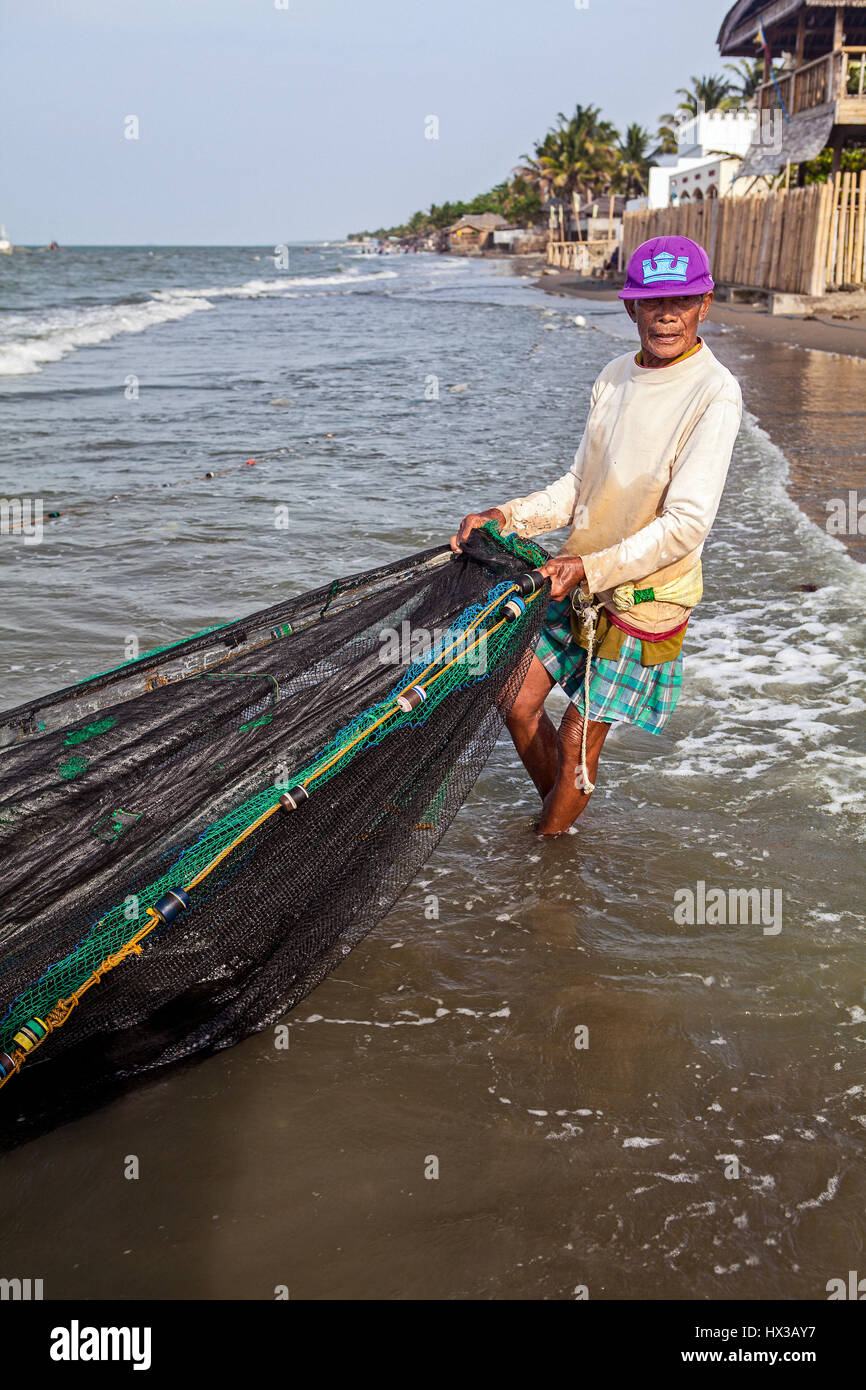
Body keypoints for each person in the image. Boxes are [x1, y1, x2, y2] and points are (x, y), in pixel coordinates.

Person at [451, 235, 743, 836]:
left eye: (682, 300)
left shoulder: (715, 393)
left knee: (579, 737)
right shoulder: (613, 376)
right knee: (516, 700)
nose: (667, 315)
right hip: (575, 581)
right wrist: (508, 516)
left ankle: (547, 852)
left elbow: (687, 524)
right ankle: (561, 820)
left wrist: (589, 568)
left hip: (645, 600)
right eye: (652, 301)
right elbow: (581, 483)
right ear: (629, 307)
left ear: (705, 304)